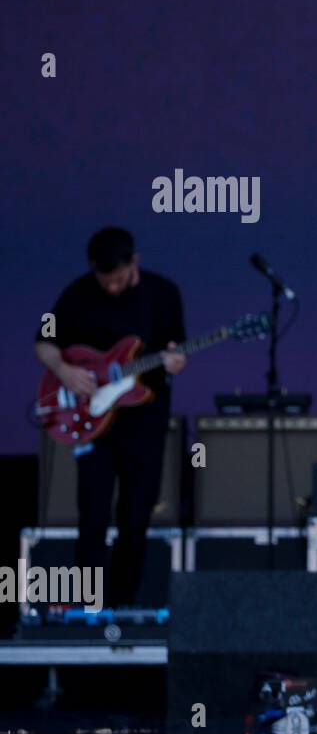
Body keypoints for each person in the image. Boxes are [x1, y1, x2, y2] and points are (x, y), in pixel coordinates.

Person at [33, 227, 187, 609]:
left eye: (118, 280)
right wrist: (64, 371)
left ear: (134, 262)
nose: (112, 289)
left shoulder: (163, 294)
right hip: (93, 421)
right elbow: (44, 340)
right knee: (93, 512)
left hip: (145, 420)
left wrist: (176, 361)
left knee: (136, 516)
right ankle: (85, 603)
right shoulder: (78, 293)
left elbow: (175, 350)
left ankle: (122, 606)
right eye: (105, 282)